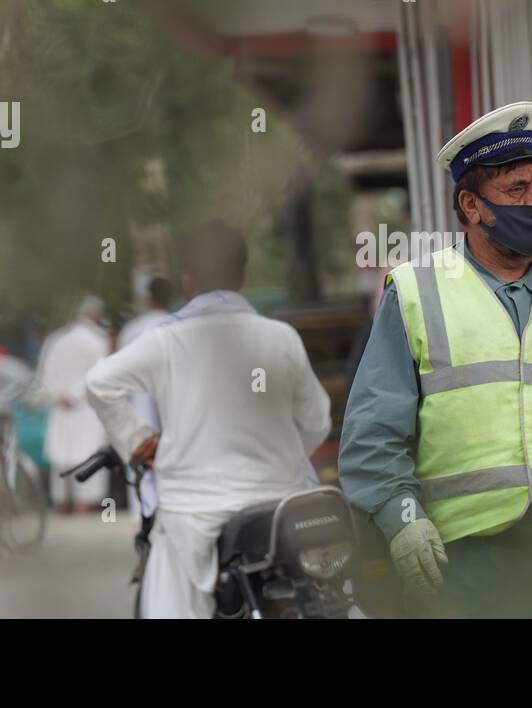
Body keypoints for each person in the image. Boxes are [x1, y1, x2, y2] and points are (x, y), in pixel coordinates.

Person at [338, 101, 532, 618]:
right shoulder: (417, 294)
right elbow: (372, 437)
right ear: (472, 205)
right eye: (515, 190)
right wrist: (402, 517)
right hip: (463, 565)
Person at [85, 220, 332, 618]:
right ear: (243, 274)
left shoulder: (167, 341)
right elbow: (317, 420)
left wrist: (137, 440)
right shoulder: (280, 336)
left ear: (189, 280)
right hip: (279, 505)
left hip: (196, 516)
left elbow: (98, 382)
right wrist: (278, 455)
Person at [38, 295, 111, 514]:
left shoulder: (55, 340)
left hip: (60, 407)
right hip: (87, 408)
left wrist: (60, 396)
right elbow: (100, 375)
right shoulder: (98, 341)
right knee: (87, 455)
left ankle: (61, 504)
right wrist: (76, 395)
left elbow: (44, 376)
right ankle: (82, 506)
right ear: (95, 315)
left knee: (61, 457)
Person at [116, 275, 176, 520]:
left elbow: (117, 373)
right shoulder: (178, 324)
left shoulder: (132, 329)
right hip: (172, 399)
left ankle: (143, 509)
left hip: (139, 401)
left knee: (142, 453)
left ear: (148, 298)